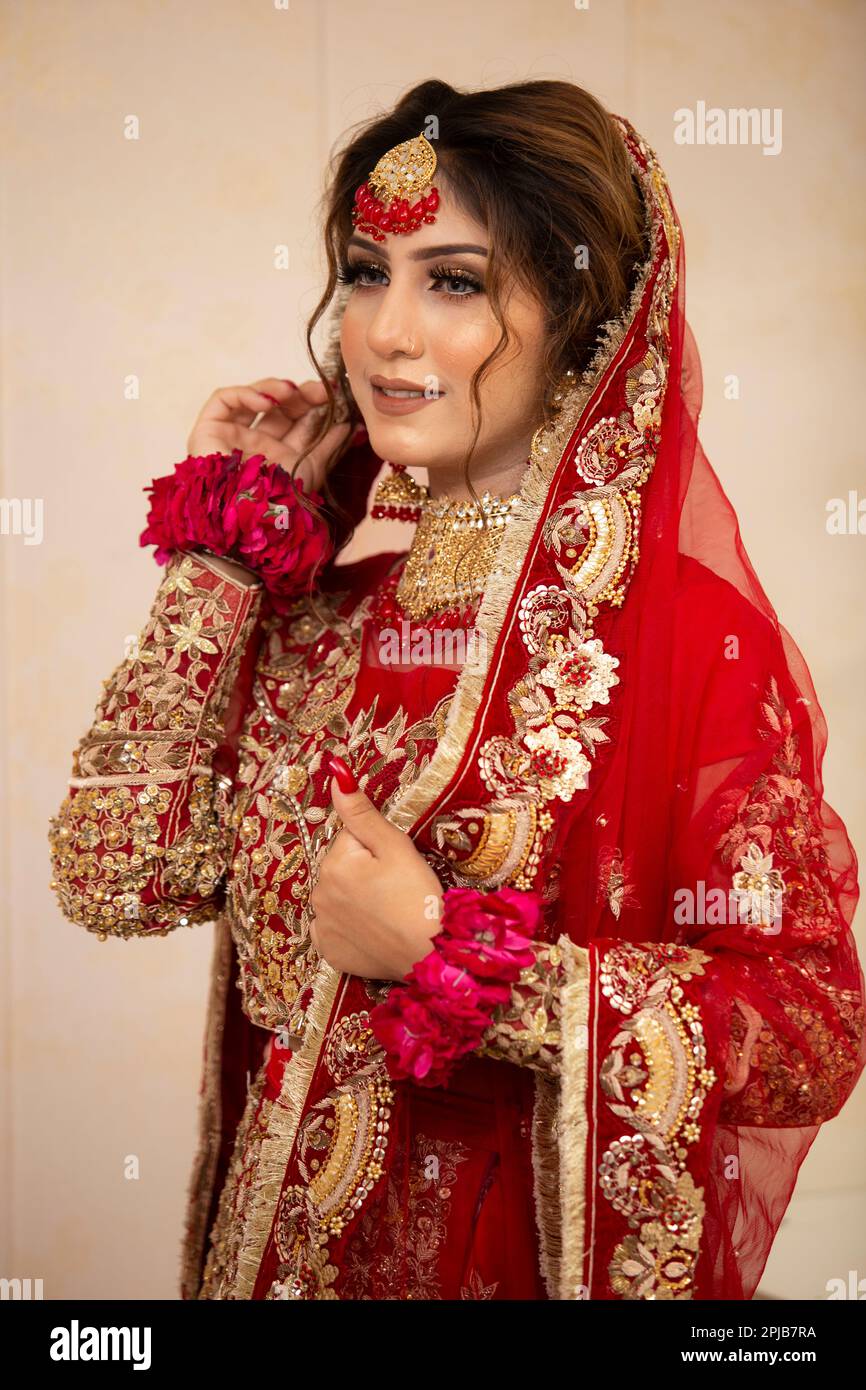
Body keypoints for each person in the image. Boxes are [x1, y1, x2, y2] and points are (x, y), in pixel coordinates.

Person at [48, 78, 865, 1302]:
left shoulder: (690, 645)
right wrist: (226, 544)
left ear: (583, 319)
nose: (381, 332)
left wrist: (452, 959)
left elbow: (808, 1027)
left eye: (455, 281)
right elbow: (114, 870)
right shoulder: (328, 615)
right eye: (367, 271)